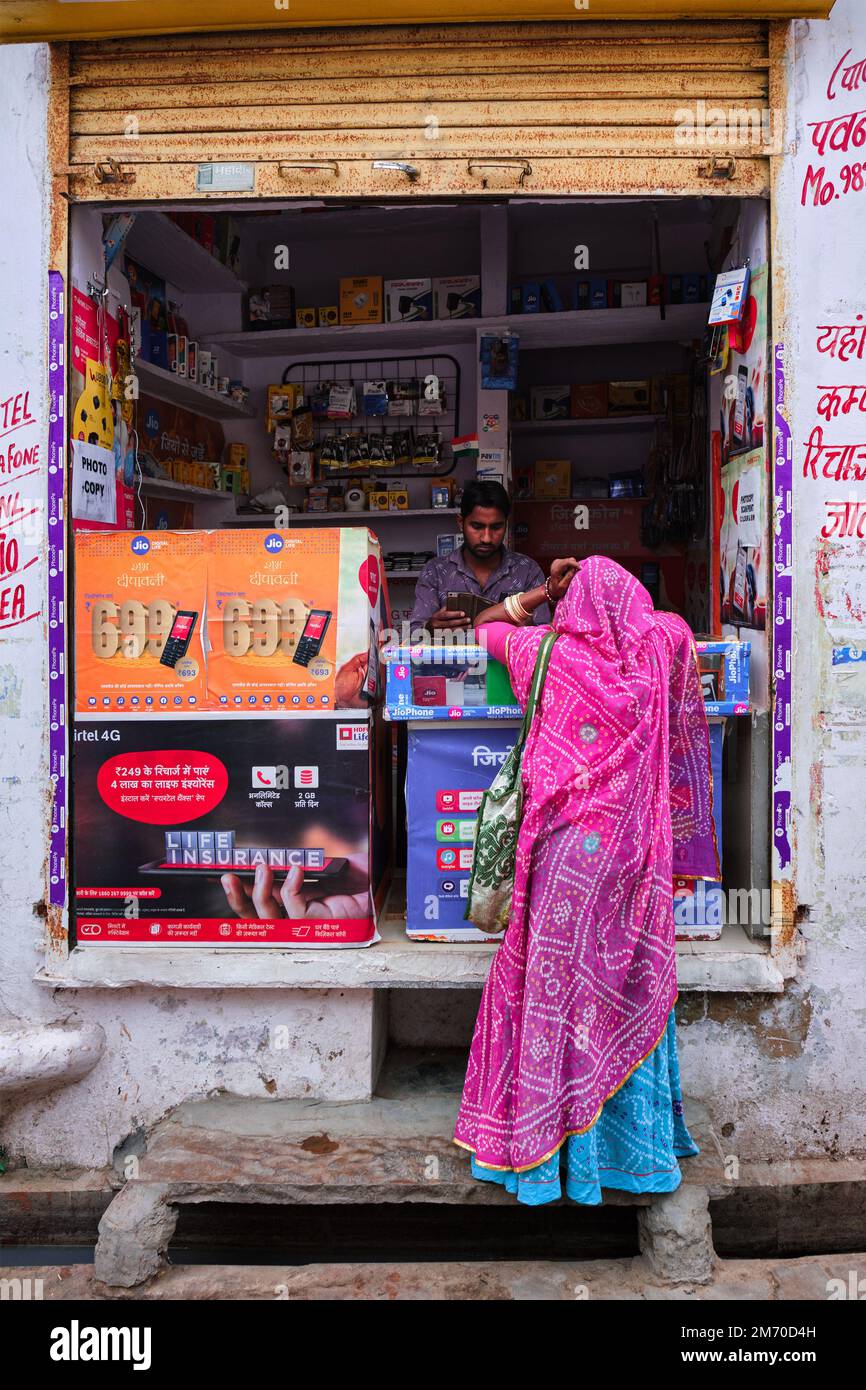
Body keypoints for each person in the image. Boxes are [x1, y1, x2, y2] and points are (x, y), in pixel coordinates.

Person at [453, 554, 720, 1205]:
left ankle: (548, 1157)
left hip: (565, 857)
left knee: (551, 992)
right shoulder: (664, 646)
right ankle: (635, 1154)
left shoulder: (545, 653)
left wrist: (544, 592)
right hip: (635, 856)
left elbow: (480, 630)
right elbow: (675, 633)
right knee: (625, 988)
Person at [410, 479, 550, 631]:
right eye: (477, 527)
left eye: (496, 527)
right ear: (460, 522)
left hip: (506, 655)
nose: (486, 538)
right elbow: (413, 637)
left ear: (506, 524)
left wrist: (528, 629)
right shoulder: (436, 572)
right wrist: (430, 628)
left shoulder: (527, 571)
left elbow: (544, 637)